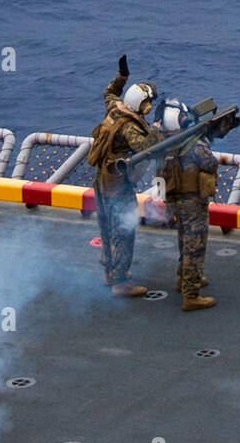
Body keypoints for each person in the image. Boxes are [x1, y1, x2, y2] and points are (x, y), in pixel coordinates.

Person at [87, 55, 163, 297]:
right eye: (148, 103)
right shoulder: (130, 127)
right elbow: (145, 148)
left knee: (107, 226)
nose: (149, 108)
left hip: (101, 179)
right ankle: (120, 284)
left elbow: (109, 92)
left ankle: (109, 273)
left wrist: (122, 78)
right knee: (123, 230)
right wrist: (157, 130)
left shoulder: (114, 109)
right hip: (117, 184)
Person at [158, 98, 219, 312]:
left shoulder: (163, 144)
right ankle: (191, 295)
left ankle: (183, 279)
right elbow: (210, 162)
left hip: (174, 200)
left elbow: (160, 176)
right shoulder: (192, 144)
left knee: (184, 240)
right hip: (193, 201)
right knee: (195, 245)